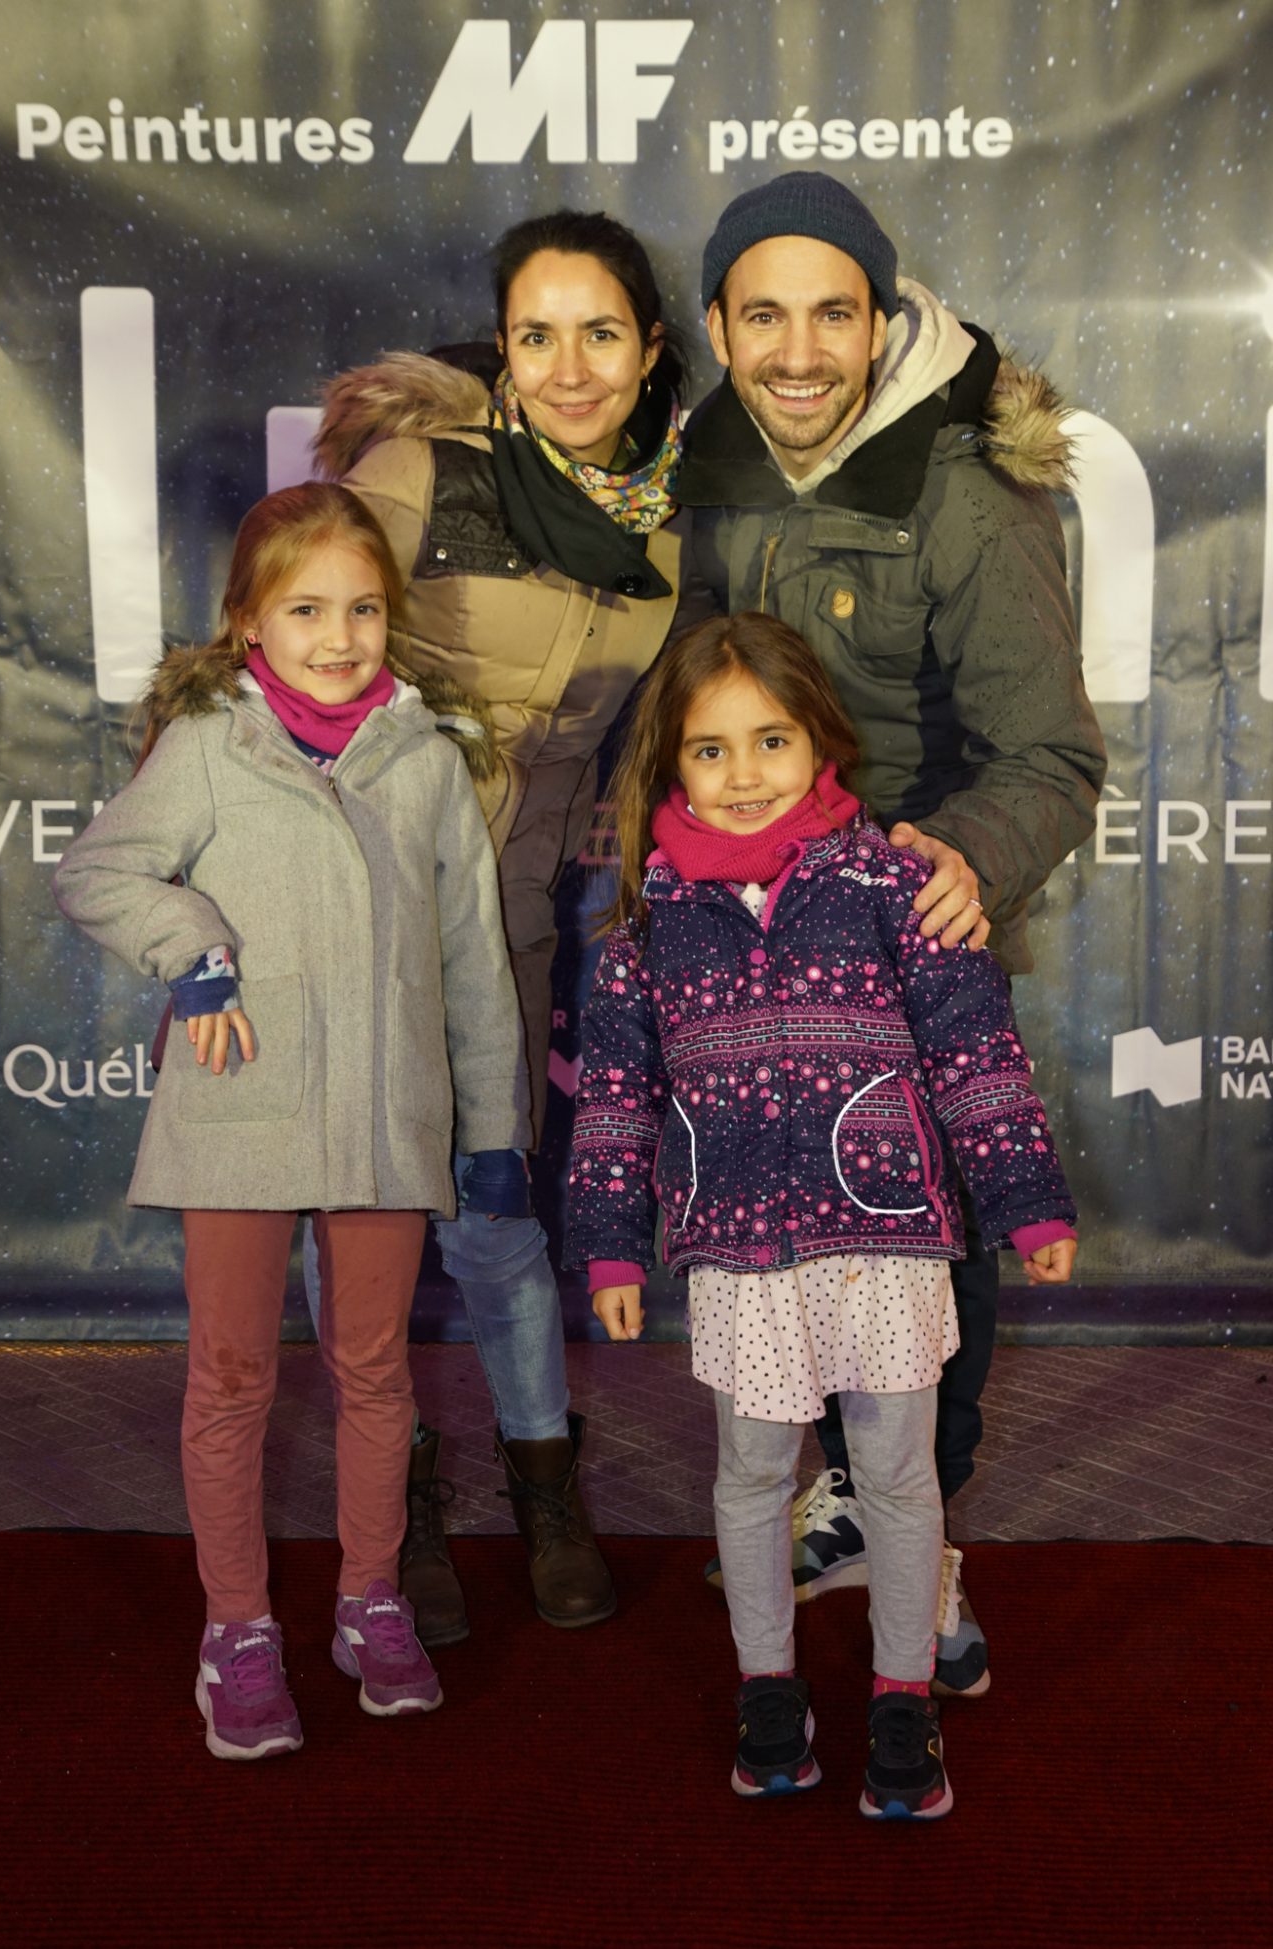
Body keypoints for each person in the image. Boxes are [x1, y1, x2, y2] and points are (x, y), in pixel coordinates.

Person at [676, 171, 1106, 1692]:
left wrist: (958, 861)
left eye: (832, 315)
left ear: (880, 321)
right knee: (780, 1229)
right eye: (764, 316)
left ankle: (913, 1518)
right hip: (748, 936)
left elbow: (1049, 755)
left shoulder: (966, 490)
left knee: (924, 1234)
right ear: (717, 327)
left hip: (905, 938)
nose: (798, 353)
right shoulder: (708, 464)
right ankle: (837, 1494)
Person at [567, 613, 1076, 1814]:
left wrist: (1026, 1200)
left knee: (895, 1475)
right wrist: (607, 1247)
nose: (743, 773)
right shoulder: (644, 929)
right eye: (710, 749)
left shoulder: (899, 888)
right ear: (671, 762)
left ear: (820, 743)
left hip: (884, 1246)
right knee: (750, 1475)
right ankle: (767, 1689)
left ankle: (901, 1697)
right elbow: (614, 1099)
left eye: (771, 740)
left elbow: (973, 1055)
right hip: (739, 1257)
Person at [53, 483, 530, 1761]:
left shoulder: (428, 757)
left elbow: (472, 957)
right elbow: (99, 869)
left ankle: (370, 1597)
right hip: (241, 1106)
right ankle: (238, 1626)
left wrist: (491, 1127)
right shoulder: (212, 741)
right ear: (249, 621)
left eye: (363, 609)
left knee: (375, 1369)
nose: (338, 636)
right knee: (231, 1373)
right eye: (306, 609)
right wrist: (194, 946)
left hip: (385, 1115)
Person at [313, 210, 700, 1639]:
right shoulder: (423, 471)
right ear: (503, 348)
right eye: (537, 336)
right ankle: (396, 1495)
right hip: (358, 916)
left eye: (600, 333)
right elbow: (290, 655)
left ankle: (544, 1485)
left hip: (513, 923)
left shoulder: (669, 523)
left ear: (649, 347)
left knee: (494, 1221)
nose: (569, 367)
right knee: (363, 1221)